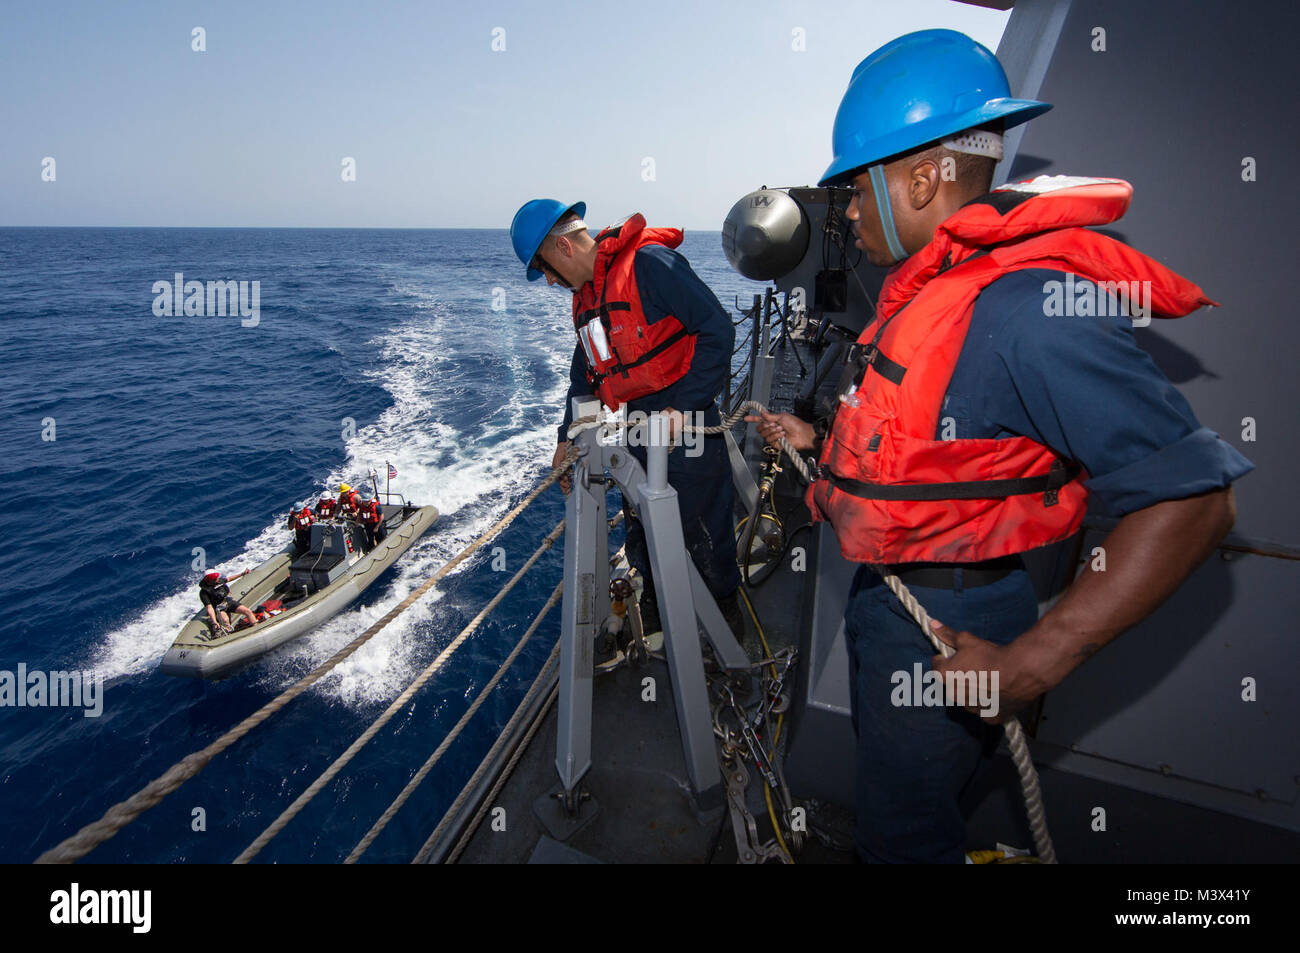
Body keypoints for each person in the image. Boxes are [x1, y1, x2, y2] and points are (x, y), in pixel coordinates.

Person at [748, 29, 1253, 863]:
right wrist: (820, 439)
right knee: (902, 798)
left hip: (952, 619)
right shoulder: (944, 290)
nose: (845, 214)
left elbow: (1195, 498)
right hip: (905, 599)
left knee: (905, 831)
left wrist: (1036, 659)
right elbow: (938, 448)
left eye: (853, 191)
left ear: (917, 180)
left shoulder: (1023, 310)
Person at [510, 199, 744, 638]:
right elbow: (586, 373)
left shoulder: (651, 266)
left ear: (563, 247)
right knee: (641, 526)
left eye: (544, 268)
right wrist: (567, 435)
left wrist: (683, 407)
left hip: (687, 425)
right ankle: (658, 614)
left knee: (702, 533)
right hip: (638, 426)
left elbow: (718, 331)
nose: (548, 281)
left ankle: (723, 636)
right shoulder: (588, 299)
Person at [357, 486, 386, 552]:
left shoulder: (376, 507)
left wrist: (377, 527)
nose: (365, 503)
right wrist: (359, 522)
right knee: (370, 539)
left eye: (367, 501)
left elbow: (381, 517)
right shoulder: (362, 507)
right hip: (368, 524)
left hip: (376, 524)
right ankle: (371, 550)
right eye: (364, 501)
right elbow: (360, 515)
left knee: (381, 538)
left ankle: (382, 549)